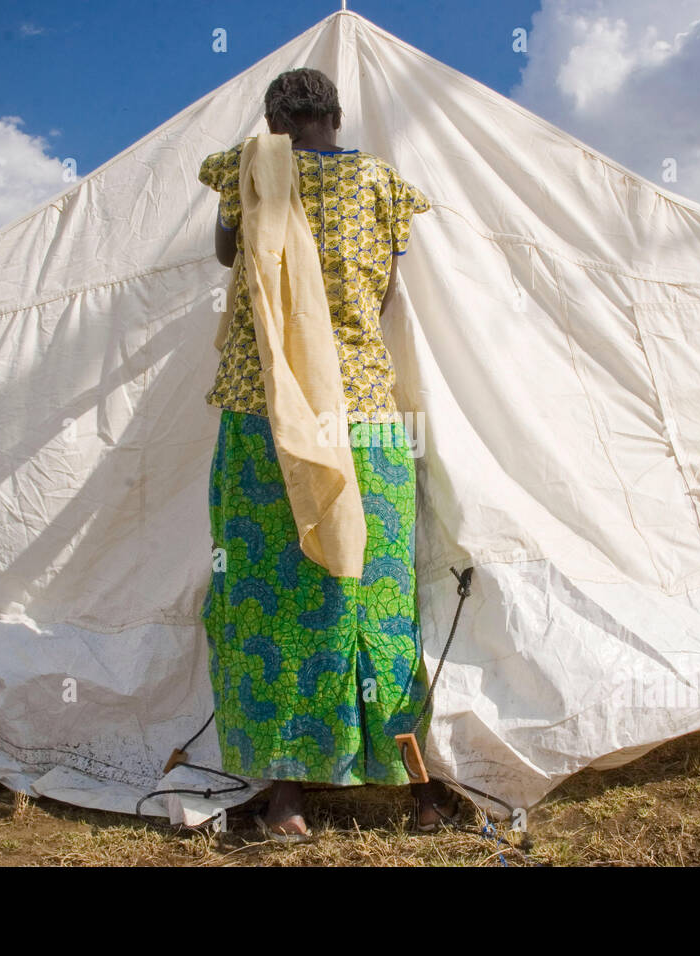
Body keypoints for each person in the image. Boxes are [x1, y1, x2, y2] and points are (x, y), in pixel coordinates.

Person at [198, 67, 461, 841]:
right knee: (375, 589)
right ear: (337, 117)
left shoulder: (249, 172)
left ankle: (287, 803)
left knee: (271, 596)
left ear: (273, 122)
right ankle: (419, 793)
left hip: (264, 406)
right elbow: (382, 289)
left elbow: (226, 256)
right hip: (366, 409)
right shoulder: (383, 185)